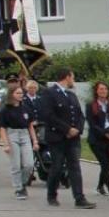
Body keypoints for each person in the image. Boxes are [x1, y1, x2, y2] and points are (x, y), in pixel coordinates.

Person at [40, 68, 95, 209]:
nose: (73, 80)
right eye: (73, 77)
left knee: (74, 167)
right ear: (67, 77)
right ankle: (51, 195)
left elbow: (80, 115)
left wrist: (77, 129)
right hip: (57, 137)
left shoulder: (71, 95)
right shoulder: (49, 93)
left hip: (72, 138)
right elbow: (48, 115)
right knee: (57, 167)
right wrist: (67, 129)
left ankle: (79, 198)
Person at [0, 85, 39, 199]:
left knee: (29, 164)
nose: (20, 95)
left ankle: (23, 182)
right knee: (16, 164)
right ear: (11, 94)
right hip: (11, 134)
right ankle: (18, 188)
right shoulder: (5, 109)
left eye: (21, 93)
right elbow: (2, 128)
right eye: (17, 93)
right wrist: (6, 144)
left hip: (24, 134)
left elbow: (30, 125)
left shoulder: (25, 108)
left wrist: (34, 141)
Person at [85, 81, 109, 200]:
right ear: (96, 91)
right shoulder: (91, 105)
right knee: (104, 163)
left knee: (107, 165)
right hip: (96, 140)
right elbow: (92, 124)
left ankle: (100, 186)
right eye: (100, 89)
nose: (103, 91)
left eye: (105, 89)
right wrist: (105, 134)